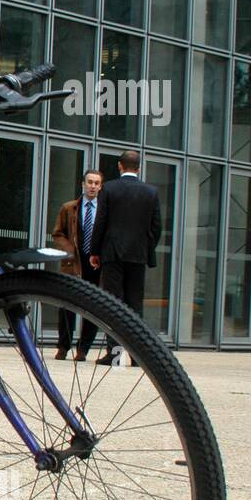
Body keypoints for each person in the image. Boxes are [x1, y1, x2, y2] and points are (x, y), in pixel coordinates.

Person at [89, 150, 160, 364]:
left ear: (120, 166)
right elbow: (156, 227)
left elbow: (100, 222)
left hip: (113, 254)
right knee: (135, 306)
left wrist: (95, 251)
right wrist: (146, 248)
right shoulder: (151, 192)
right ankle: (138, 357)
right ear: (138, 167)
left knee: (114, 303)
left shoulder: (109, 188)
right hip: (137, 256)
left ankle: (115, 355)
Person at [50, 169, 103, 361]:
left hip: (95, 265)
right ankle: (63, 346)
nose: (93, 186)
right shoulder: (69, 208)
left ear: (100, 186)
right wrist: (70, 250)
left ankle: (83, 349)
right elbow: (57, 233)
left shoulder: (105, 210)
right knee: (67, 305)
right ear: (83, 184)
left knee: (92, 306)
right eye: (90, 182)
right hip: (73, 262)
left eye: (97, 183)